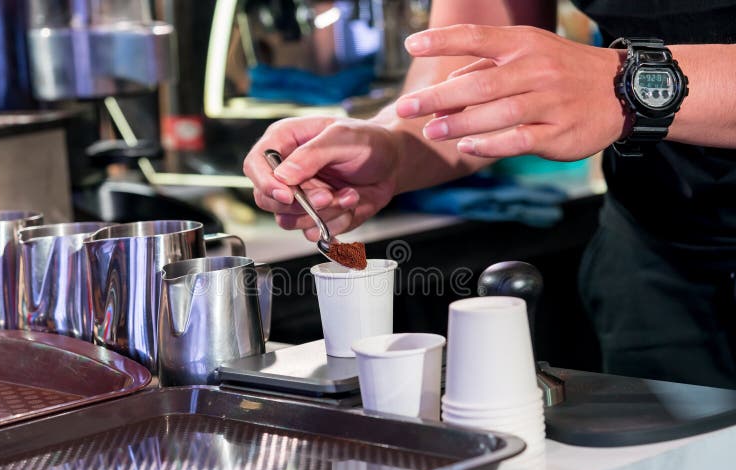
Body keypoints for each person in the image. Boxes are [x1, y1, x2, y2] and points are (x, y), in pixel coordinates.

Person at [242, 0, 736, 388]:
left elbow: (607, 86)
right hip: (657, 260)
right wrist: (391, 145)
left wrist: (630, 84)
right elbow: (472, 65)